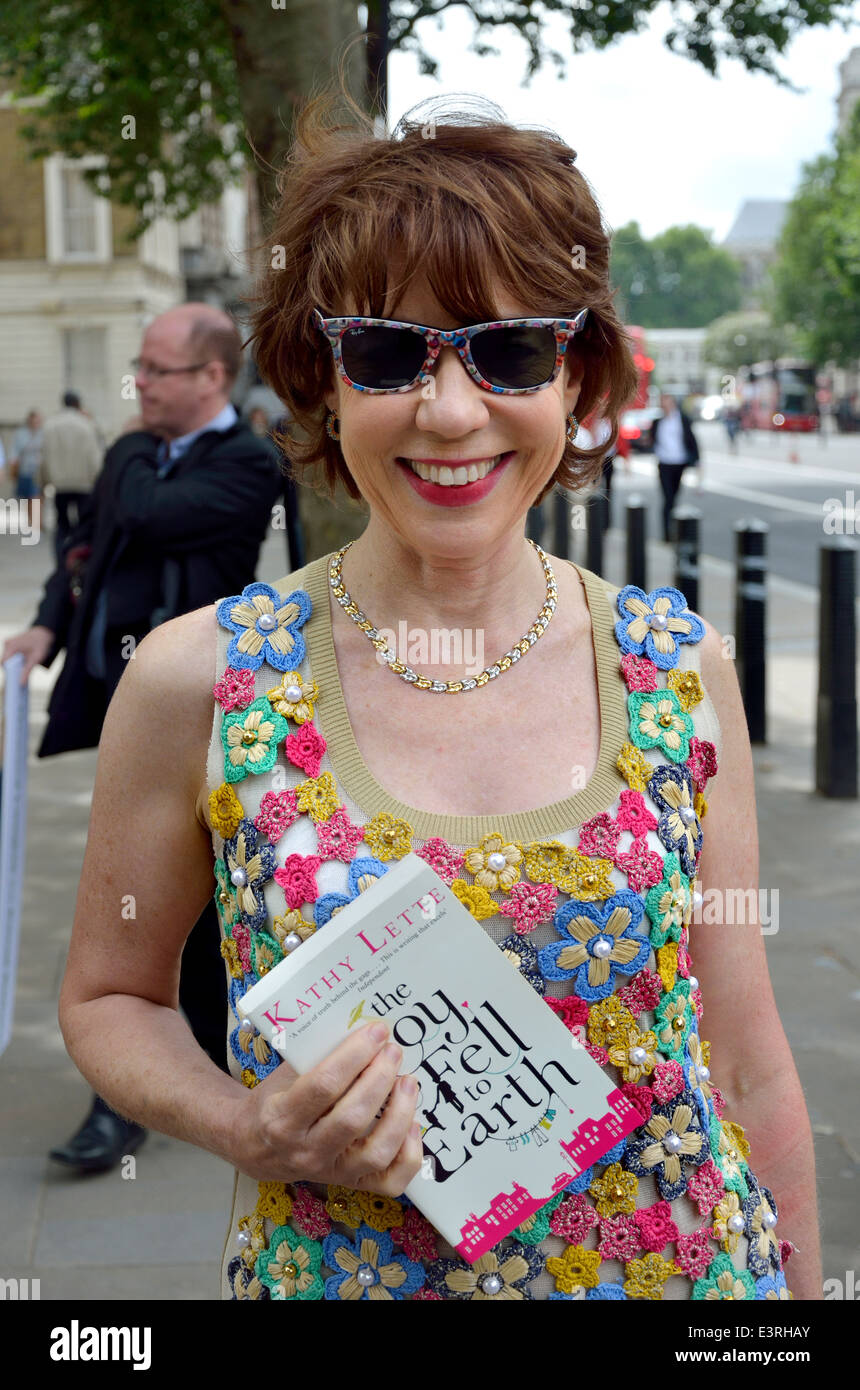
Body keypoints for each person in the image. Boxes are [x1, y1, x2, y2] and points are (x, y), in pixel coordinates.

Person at [54, 95, 819, 1301]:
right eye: (388, 350)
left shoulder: (676, 669)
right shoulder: (200, 679)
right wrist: (247, 1125)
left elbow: (745, 1057)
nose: (450, 410)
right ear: (322, 377)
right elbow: (108, 994)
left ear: (575, 375)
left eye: (509, 349)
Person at [3, 302, 283, 1172]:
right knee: (163, 902)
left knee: (176, 908)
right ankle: (180, 1071)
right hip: (119, 703)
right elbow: (84, 547)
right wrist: (47, 625)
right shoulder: (137, 454)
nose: (141, 383)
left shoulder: (246, 461)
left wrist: (124, 464)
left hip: (208, 716)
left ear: (210, 377)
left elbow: (148, 516)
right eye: (140, 367)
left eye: (158, 369)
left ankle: (146, 1089)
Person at [40, 392, 102, 560]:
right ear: (77, 404)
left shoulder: (50, 425)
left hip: (59, 483)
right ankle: (79, 556)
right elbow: (94, 456)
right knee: (84, 523)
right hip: (84, 484)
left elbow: (43, 455)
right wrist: (98, 479)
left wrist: (44, 481)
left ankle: (61, 557)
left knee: (61, 524)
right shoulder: (86, 424)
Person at [649, 394, 700, 542]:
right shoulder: (658, 422)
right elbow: (652, 441)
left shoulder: (683, 419)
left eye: (666, 402)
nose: (664, 406)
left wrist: (697, 461)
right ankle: (667, 534)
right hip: (664, 463)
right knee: (668, 498)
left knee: (675, 497)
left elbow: (692, 440)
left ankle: (675, 530)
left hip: (680, 462)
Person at [10, 409, 44, 525]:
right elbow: (14, 452)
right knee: (28, 497)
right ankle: (32, 519)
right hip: (25, 470)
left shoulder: (43, 433)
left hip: (39, 471)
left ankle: (37, 521)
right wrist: (13, 468)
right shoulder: (21, 434)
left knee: (37, 495)